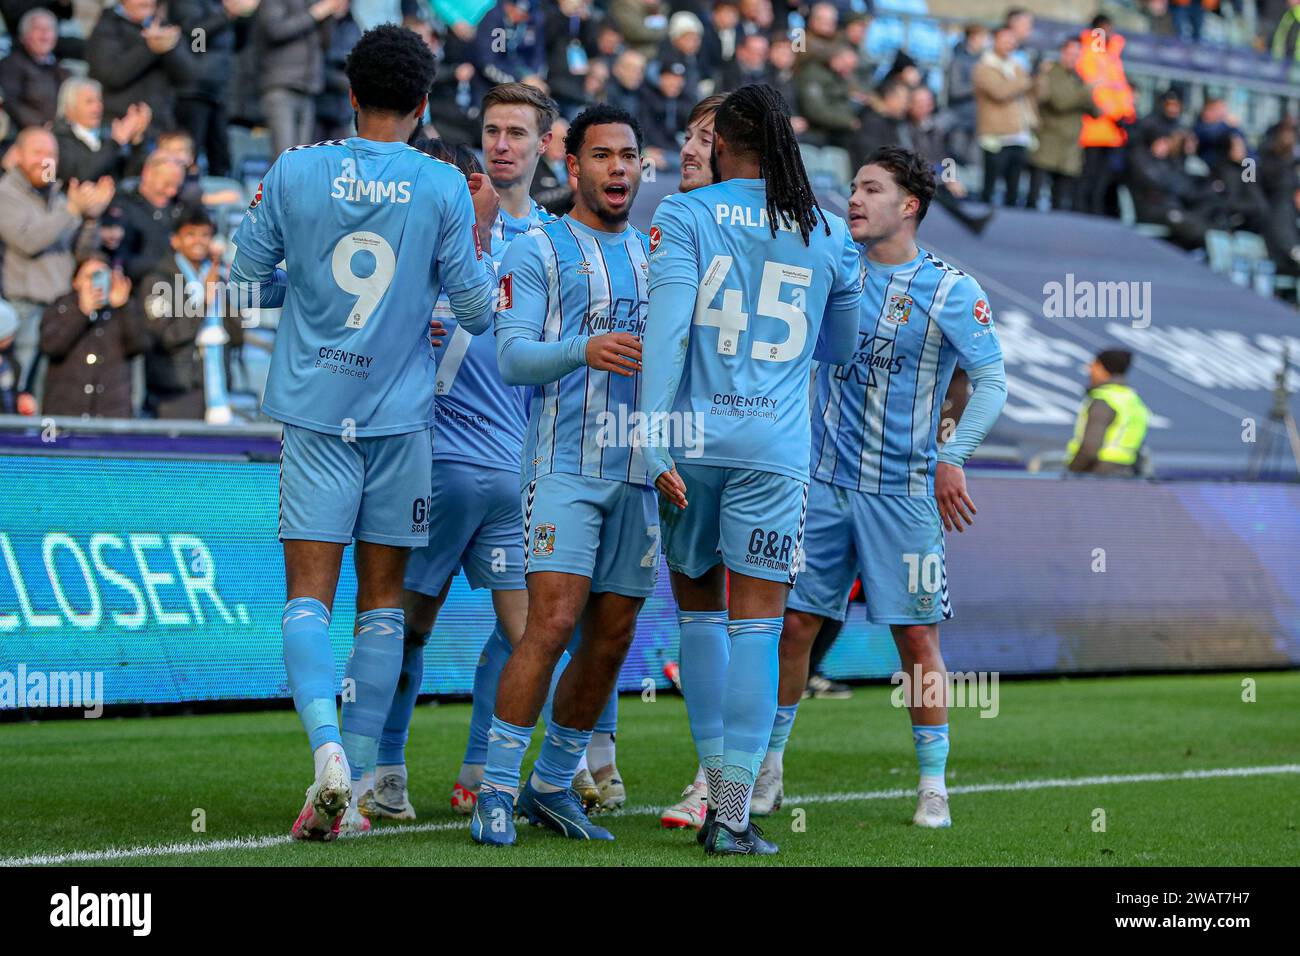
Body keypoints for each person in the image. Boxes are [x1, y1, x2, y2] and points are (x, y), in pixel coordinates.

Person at [228, 24, 498, 842]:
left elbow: (242, 289)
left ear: (348, 96)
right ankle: (363, 764)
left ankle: (326, 758)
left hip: (314, 415)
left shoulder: (295, 169)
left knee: (307, 595)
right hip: (400, 422)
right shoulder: (444, 185)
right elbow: (479, 312)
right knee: (384, 605)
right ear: (422, 104)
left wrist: (303, 283)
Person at [379, 84, 621, 826]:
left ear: (549, 145)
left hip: (524, 466)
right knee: (410, 622)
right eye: (490, 130)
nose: (500, 145)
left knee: (535, 630)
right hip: (435, 461)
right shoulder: (442, 224)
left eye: (517, 132)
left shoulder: (556, 241)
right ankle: (385, 770)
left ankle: (526, 768)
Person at [640, 84, 863, 856]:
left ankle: (714, 788)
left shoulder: (684, 216)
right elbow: (838, 346)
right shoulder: (827, 231)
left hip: (693, 442)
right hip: (776, 448)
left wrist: (651, 436)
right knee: (760, 630)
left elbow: (665, 333)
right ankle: (732, 813)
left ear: (726, 145)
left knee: (698, 617)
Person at [763, 147, 1008, 825]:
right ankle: (770, 769)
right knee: (795, 629)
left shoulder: (952, 290)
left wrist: (953, 454)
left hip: (902, 492)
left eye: (871, 189)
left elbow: (993, 380)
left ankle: (933, 782)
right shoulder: (831, 266)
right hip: (819, 485)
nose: (855, 199)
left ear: (910, 205)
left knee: (916, 639)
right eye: (853, 189)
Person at [471, 103, 655, 847]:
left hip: (639, 473)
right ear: (571, 165)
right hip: (563, 469)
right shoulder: (538, 250)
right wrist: (585, 348)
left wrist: (671, 455)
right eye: (603, 156)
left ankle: (552, 784)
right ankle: (494, 787)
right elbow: (511, 356)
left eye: (630, 156)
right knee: (549, 625)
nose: (618, 168)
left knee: (612, 639)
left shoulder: (656, 256)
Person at [0, 127, 114, 405]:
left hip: (62, 307)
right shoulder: (5, 194)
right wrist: (73, 211)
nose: (45, 159)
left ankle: (49, 445)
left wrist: (91, 220)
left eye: (51, 153)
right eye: (37, 152)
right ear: (18, 154)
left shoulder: (60, 197)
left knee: (50, 388)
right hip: (23, 309)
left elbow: (83, 252)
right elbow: (28, 241)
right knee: (20, 390)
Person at [138, 205, 245, 420]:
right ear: (175, 240)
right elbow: (166, 336)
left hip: (215, 389)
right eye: (190, 234)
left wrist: (222, 291)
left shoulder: (217, 276)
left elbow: (237, 336)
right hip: (174, 392)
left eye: (205, 235)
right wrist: (204, 302)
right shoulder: (157, 281)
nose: (199, 241)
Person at [38, 252, 146, 418]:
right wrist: (81, 312)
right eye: (90, 277)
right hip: (63, 414)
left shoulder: (122, 309)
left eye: (103, 276)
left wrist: (124, 307)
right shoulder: (62, 306)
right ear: (75, 282)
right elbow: (51, 346)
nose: (96, 283)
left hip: (110, 415)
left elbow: (139, 345)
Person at [85, 0, 195, 136]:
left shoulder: (165, 27)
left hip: (160, 126)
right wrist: (149, 48)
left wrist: (171, 48)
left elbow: (188, 77)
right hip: (119, 126)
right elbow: (111, 75)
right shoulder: (106, 28)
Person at [1026, 35, 1096, 211]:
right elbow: (1059, 102)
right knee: (1034, 195)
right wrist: (1086, 92)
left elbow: (1095, 111)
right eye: (1070, 53)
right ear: (1062, 53)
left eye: (1077, 54)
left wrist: (1086, 93)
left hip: (1070, 147)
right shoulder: (1051, 73)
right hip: (1048, 141)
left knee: (1060, 200)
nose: (1073, 58)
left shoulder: (1079, 78)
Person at [973, 24, 1035, 207]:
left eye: (1012, 40)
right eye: (1005, 39)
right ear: (994, 40)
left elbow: (1030, 93)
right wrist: (1024, 80)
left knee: (1014, 190)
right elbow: (1000, 92)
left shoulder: (1016, 66)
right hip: (995, 135)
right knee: (990, 187)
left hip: (1019, 134)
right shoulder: (983, 67)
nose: (1009, 44)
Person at [1065, 349, 1149, 476]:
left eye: (1094, 365)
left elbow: (1090, 448)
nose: (1090, 369)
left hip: (1098, 474)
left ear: (1102, 368)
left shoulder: (1104, 400)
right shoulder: (1133, 399)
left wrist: (1072, 472)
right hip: (1126, 474)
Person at [53, 78, 151, 185]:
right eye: (89, 102)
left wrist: (137, 139)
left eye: (99, 101)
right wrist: (115, 143)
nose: (97, 107)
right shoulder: (56, 140)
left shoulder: (107, 134)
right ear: (69, 108)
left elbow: (131, 175)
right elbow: (80, 176)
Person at [111, 152, 187, 283]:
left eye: (177, 186)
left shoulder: (181, 208)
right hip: (140, 285)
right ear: (148, 174)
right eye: (167, 184)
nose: (172, 191)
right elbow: (122, 260)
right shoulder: (123, 207)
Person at [0, 7, 70, 130]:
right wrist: (41, 126)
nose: (44, 33)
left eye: (49, 29)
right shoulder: (11, 65)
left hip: (57, 135)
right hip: (27, 135)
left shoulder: (61, 69)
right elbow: (11, 103)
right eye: (38, 28)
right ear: (23, 35)